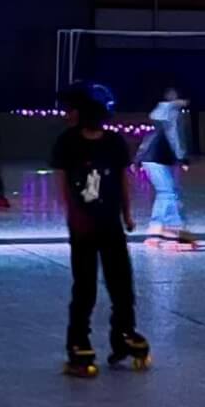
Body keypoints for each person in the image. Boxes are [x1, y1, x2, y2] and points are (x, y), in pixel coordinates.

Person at [53, 83, 144, 376]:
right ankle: (78, 342)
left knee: (121, 283)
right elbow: (63, 184)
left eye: (71, 110)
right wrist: (71, 215)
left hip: (110, 224)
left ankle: (124, 334)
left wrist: (127, 214)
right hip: (83, 226)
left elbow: (122, 180)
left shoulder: (114, 143)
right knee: (85, 287)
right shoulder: (66, 143)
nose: (66, 115)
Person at [135, 85, 196, 246]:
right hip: (157, 158)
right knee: (170, 193)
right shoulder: (173, 112)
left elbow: (149, 137)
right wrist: (182, 157)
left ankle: (156, 229)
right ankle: (175, 230)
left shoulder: (159, 112)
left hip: (152, 158)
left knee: (165, 192)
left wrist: (139, 158)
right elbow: (174, 135)